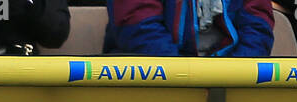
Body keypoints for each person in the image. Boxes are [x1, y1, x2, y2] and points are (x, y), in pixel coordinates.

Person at [105, 0, 273, 55]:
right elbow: (138, 27)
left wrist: (235, 77)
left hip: (231, 78)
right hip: (157, 79)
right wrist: (189, 80)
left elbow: (258, 26)